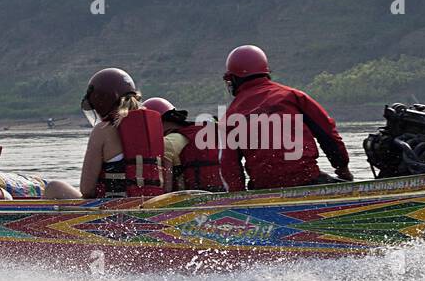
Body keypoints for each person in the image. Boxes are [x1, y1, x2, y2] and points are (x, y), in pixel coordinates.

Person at [218, 45, 353, 191]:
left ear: (233, 79)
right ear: (266, 72)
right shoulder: (293, 96)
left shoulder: (230, 116)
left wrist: (238, 197)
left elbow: (228, 165)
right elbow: (327, 133)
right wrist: (342, 168)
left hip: (263, 188)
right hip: (307, 179)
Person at [78, 68, 166, 198]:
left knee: (54, 187)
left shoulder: (103, 130)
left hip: (113, 206)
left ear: (102, 102)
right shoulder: (154, 128)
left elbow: (87, 189)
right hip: (149, 203)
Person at [142, 97, 225, 193]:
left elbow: (166, 190)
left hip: (188, 202)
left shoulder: (167, 143)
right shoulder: (204, 132)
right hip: (219, 197)